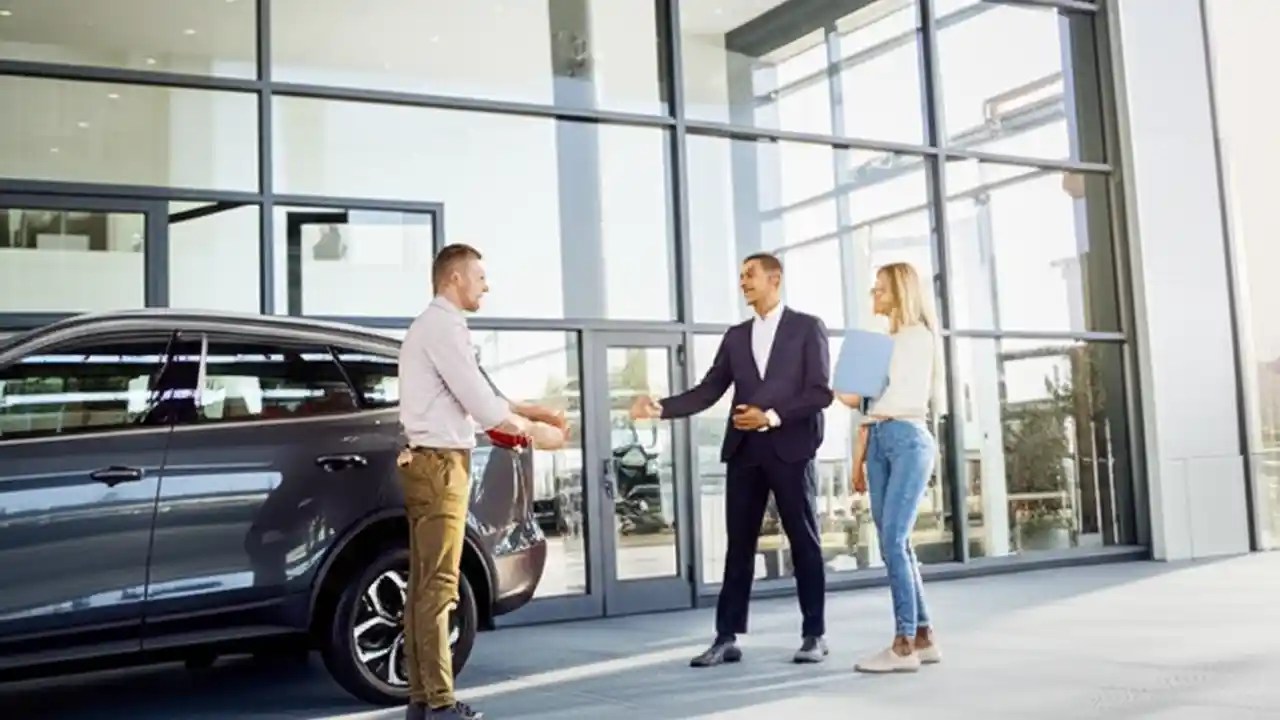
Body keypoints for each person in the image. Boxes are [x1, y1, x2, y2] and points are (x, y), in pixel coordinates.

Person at [632, 252, 834, 667]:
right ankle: (726, 637)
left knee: (804, 542)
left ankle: (814, 633)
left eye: (750, 275)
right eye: (741, 275)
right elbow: (709, 389)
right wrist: (661, 408)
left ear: (774, 279)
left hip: (791, 450)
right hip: (745, 452)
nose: (743, 282)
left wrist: (771, 416)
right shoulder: (736, 336)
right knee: (738, 546)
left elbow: (819, 393)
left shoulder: (806, 328)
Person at [398, 243, 567, 720]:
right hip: (440, 467)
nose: (486, 286)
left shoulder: (434, 329)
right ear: (454, 279)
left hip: (433, 464)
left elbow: (473, 400)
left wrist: (526, 415)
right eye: (480, 277)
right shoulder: (443, 328)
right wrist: (538, 433)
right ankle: (439, 704)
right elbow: (483, 404)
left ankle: (422, 699)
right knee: (438, 588)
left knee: (426, 587)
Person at [838, 261, 944, 674]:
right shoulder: (888, 341)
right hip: (882, 438)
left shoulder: (916, 337)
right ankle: (923, 635)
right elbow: (860, 402)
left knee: (894, 542)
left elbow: (879, 397)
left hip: (906, 439)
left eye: (881, 289)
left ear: (901, 292)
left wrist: (858, 389)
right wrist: (860, 456)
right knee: (897, 543)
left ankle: (903, 646)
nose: (874, 295)